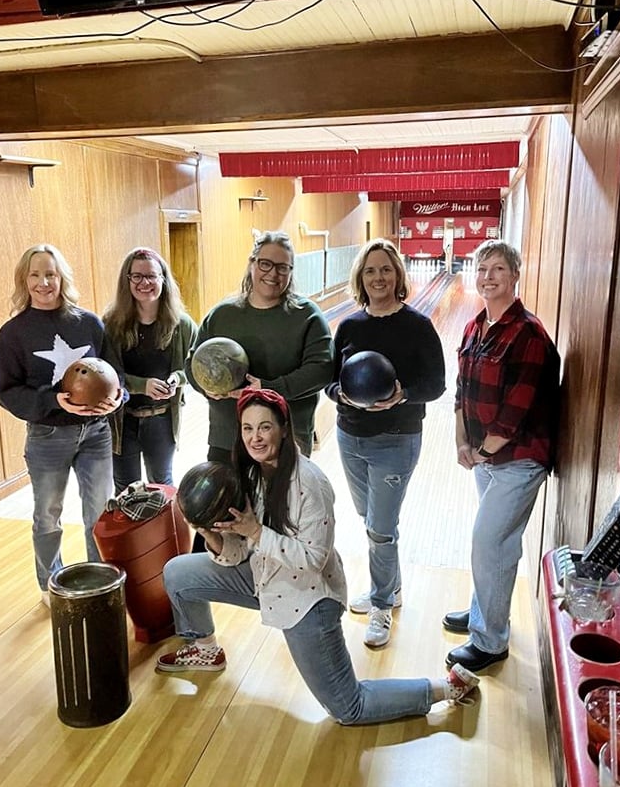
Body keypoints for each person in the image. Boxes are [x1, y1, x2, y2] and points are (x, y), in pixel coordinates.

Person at [158, 388, 480, 724]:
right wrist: (211, 534)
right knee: (179, 572)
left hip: (308, 600)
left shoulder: (310, 484)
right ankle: (206, 650)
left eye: (265, 427)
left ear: (284, 428)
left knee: (350, 708)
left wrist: (255, 532)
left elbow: (312, 561)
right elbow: (239, 551)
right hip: (264, 577)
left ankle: (446, 687)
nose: (255, 437)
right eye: (247, 428)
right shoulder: (251, 474)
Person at [443, 239, 560, 672]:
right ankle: (483, 616)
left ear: (514, 276)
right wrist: (462, 443)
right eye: (482, 269)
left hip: (519, 459)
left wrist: (482, 451)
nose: (488, 276)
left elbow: (516, 410)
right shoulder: (475, 326)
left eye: (497, 269)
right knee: (499, 545)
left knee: (488, 542)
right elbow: (461, 392)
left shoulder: (528, 333)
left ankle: (490, 643)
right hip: (484, 456)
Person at [325, 239, 445, 649]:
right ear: (361, 277)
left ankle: (381, 605)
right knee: (371, 519)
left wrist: (403, 395)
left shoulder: (418, 327)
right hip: (350, 436)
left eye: (386, 270)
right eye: (371, 270)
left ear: (398, 276)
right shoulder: (350, 327)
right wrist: (339, 393)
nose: (379, 277)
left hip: (396, 439)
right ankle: (390, 588)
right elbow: (330, 379)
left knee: (380, 529)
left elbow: (436, 385)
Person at [185, 230, 334, 552]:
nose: (273, 273)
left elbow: (322, 369)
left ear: (292, 272)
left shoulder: (306, 316)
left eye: (283, 267)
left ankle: (276, 599)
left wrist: (267, 389)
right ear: (252, 264)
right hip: (228, 440)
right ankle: (203, 587)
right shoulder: (222, 314)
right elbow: (192, 362)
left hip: (284, 444)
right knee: (214, 521)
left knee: (282, 530)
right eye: (265, 263)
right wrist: (205, 386)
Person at [0, 243, 124, 606]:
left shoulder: (89, 323)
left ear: (61, 277)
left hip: (96, 432)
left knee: (99, 509)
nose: (43, 282)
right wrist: (53, 401)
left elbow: (116, 376)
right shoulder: (13, 333)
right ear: (25, 280)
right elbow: (6, 391)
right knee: (48, 514)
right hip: (47, 436)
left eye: (50, 274)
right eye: (35, 275)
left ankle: (100, 578)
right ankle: (50, 582)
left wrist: (118, 399)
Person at [103, 247, 198, 494]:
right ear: (127, 280)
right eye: (137, 276)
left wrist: (177, 378)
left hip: (161, 418)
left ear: (163, 280)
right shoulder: (111, 324)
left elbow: (196, 366)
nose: (145, 282)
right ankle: (130, 535)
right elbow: (107, 373)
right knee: (126, 488)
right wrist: (141, 385)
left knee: (162, 485)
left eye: (152, 276)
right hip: (123, 420)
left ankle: (165, 534)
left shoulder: (182, 324)